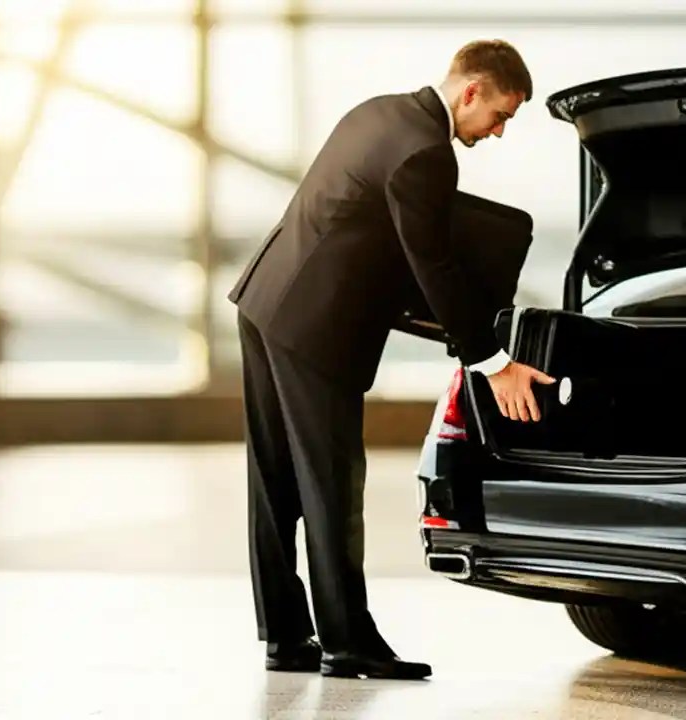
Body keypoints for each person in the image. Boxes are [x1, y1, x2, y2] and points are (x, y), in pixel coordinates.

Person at [225, 39, 554, 680]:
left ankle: (287, 639)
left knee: (274, 481)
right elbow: (432, 265)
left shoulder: (379, 112)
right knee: (331, 485)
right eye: (502, 115)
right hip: (313, 329)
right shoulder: (426, 153)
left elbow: (364, 231)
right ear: (471, 92)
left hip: (264, 300)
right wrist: (492, 361)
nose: (499, 132)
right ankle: (349, 645)